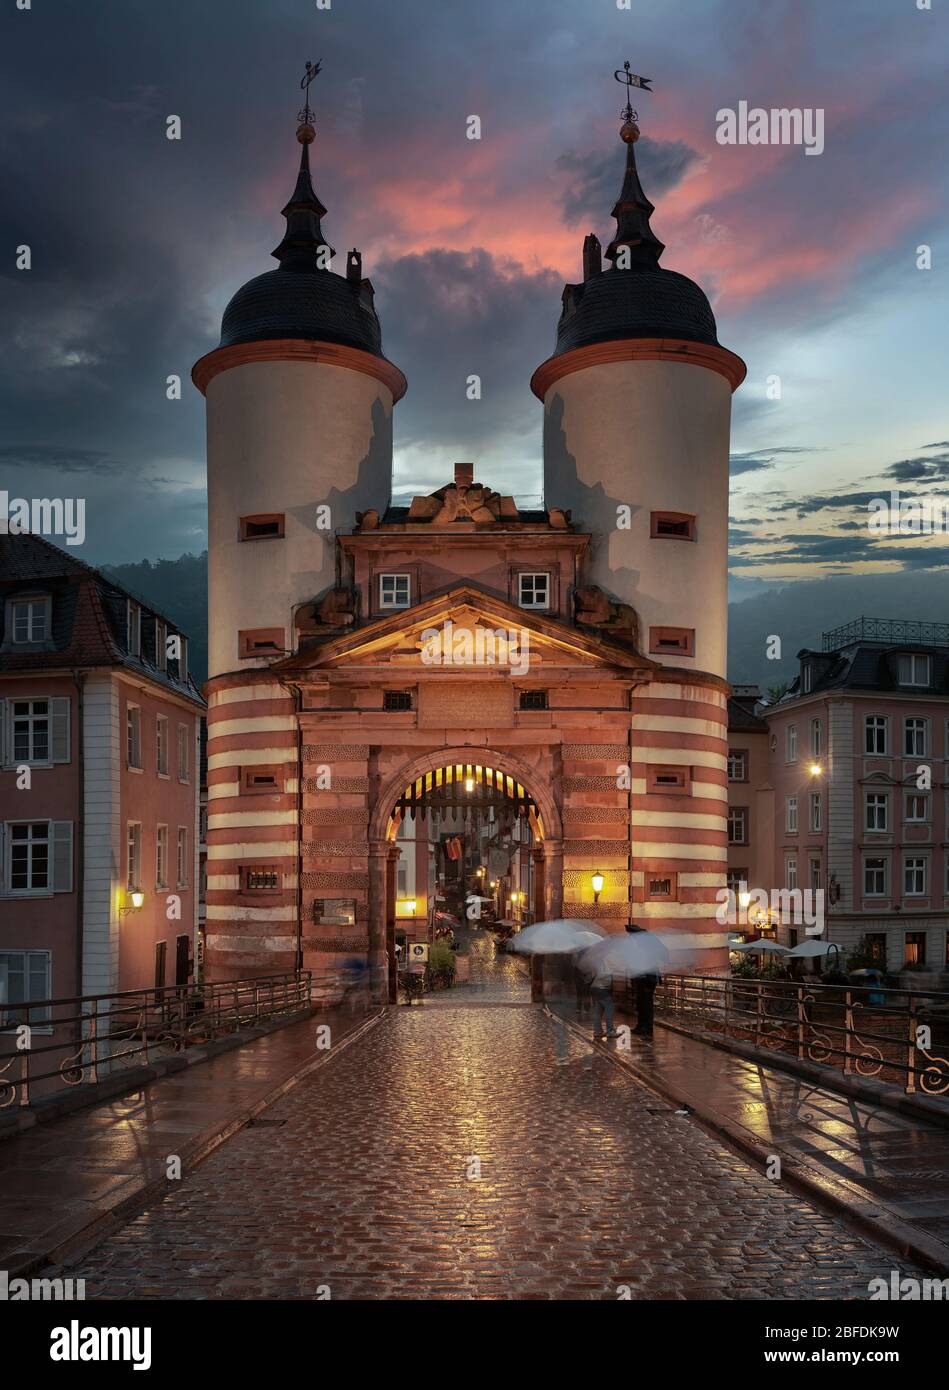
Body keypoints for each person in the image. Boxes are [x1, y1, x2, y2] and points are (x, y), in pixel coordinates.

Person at [625, 923, 665, 1039]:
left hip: (648, 980)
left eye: (631, 935)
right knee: (640, 1003)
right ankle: (641, 1026)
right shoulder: (640, 946)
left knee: (647, 1005)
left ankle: (648, 1030)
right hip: (641, 979)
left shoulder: (648, 947)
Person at [589, 962, 617, 1040]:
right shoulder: (603, 965)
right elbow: (603, 976)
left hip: (595, 989)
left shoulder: (600, 964)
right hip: (602, 989)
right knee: (609, 1008)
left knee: (598, 1010)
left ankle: (598, 1031)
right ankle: (610, 1031)